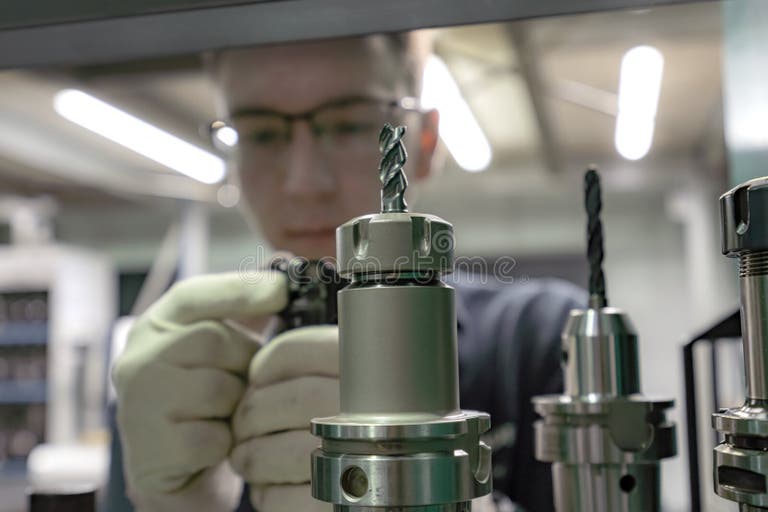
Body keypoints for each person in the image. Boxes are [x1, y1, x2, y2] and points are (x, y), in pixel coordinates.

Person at [108, 32, 585, 512]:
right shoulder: (179, 384)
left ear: (424, 140)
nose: (304, 183)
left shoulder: (540, 339)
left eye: (350, 126)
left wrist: (434, 493)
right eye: (263, 134)